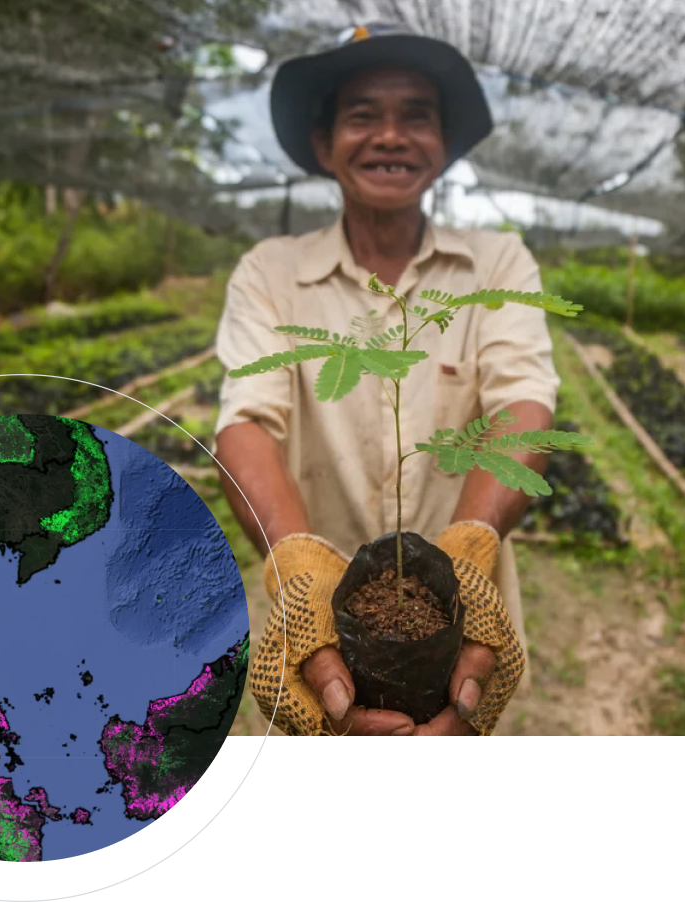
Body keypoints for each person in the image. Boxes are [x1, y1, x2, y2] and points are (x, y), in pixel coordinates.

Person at [213, 22, 561, 736]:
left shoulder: (495, 267)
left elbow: (524, 403)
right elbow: (245, 422)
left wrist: (470, 549)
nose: (391, 136)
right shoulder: (270, 273)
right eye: (363, 114)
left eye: (417, 116)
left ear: (444, 146)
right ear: (323, 144)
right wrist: (302, 573)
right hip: (320, 628)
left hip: (463, 622)